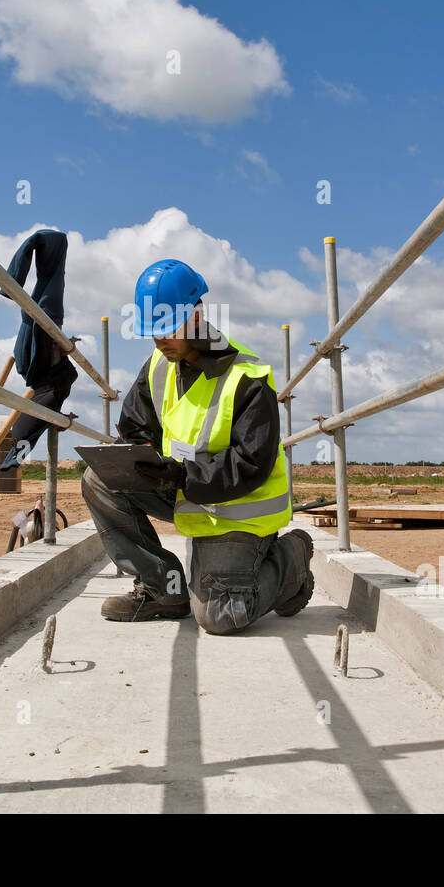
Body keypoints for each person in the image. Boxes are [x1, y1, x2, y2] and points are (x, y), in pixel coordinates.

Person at [81, 259, 314, 635]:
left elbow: (250, 463)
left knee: (221, 616)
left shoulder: (248, 378)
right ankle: (162, 589)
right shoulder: (159, 364)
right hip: (188, 496)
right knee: (101, 479)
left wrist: (180, 475)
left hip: (239, 512)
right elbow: (136, 425)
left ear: (195, 317)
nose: (159, 340)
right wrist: (141, 458)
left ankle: (291, 557)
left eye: (167, 329)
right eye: (152, 332)